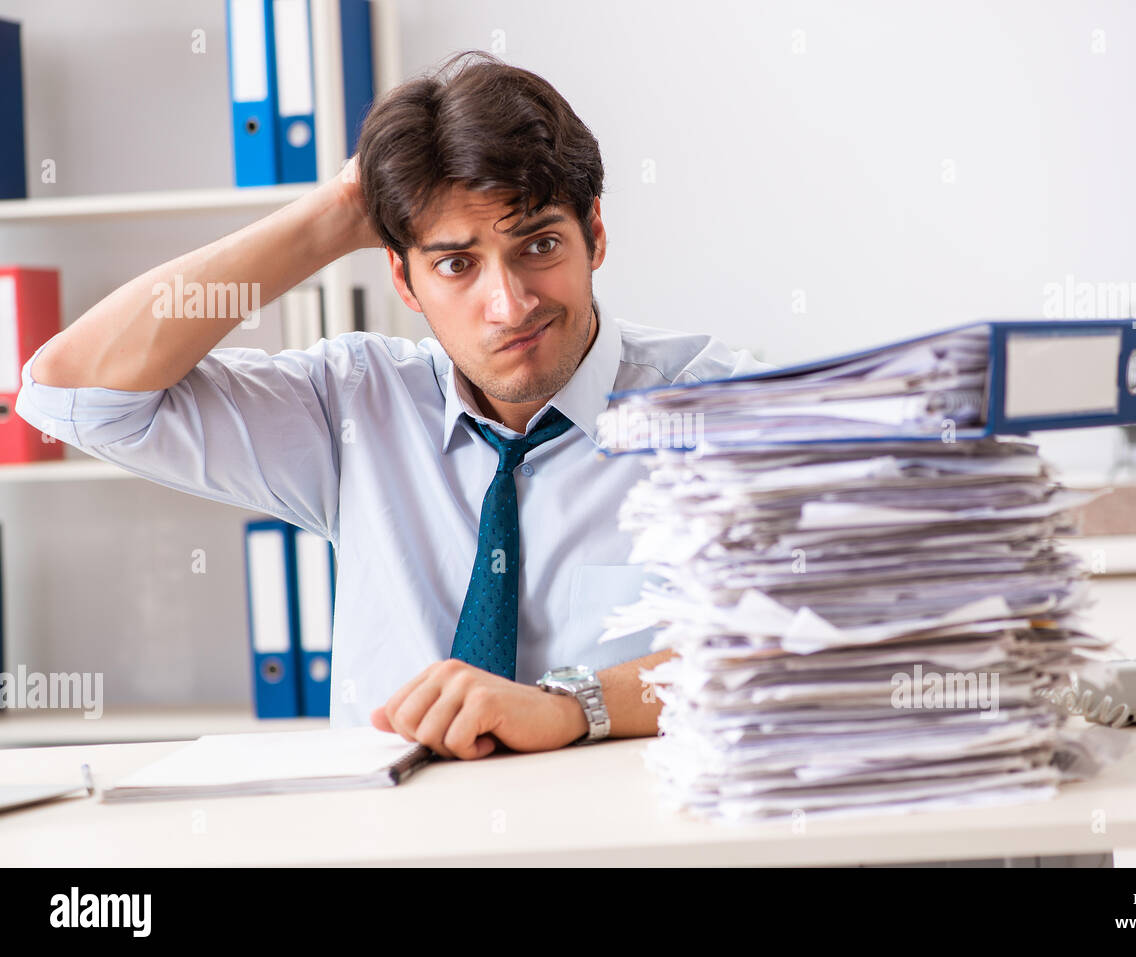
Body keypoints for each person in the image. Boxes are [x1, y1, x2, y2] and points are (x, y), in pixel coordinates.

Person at [15, 51, 770, 760]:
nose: (508, 305)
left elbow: (814, 645)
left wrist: (576, 704)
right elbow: (73, 393)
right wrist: (339, 210)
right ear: (404, 284)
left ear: (594, 234)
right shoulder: (354, 406)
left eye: (538, 245)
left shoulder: (729, 408)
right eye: (455, 264)